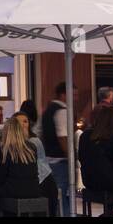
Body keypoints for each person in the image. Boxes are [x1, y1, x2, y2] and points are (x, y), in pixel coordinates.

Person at [0, 117, 49, 216]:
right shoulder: (32, 147)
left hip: (14, 191)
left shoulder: (4, 150)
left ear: (7, 132)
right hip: (34, 190)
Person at [78, 104, 113, 216]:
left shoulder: (85, 136)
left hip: (89, 181)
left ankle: (109, 213)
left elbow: (81, 157)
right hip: (108, 182)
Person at [12, 110, 58, 215]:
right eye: (19, 122)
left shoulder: (33, 142)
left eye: (25, 121)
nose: (23, 125)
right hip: (30, 183)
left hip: (43, 183)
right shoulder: (15, 143)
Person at [40, 82, 72, 216]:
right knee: (62, 197)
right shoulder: (62, 110)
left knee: (54, 197)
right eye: (73, 94)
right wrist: (71, 157)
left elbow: (39, 133)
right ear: (63, 95)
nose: (75, 98)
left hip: (48, 160)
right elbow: (63, 137)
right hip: (60, 161)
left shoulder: (48, 110)